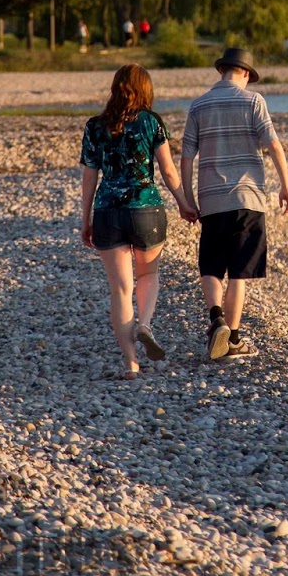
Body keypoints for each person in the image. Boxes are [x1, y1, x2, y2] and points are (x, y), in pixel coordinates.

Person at [79, 64, 197, 380]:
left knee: (120, 289)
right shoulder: (151, 123)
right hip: (146, 210)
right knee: (148, 274)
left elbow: (89, 178)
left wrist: (85, 219)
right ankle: (145, 324)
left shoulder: (94, 127)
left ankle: (131, 363)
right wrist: (185, 204)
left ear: (115, 88)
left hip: (107, 212)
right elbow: (169, 172)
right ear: (145, 90)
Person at [180, 47, 288, 360]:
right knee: (239, 272)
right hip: (248, 198)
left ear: (222, 71)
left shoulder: (199, 105)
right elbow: (272, 144)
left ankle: (215, 318)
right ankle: (232, 339)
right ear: (245, 73)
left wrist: (188, 199)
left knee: (212, 266)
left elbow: (187, 156)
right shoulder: (253, 101)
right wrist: (285, 186)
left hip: (211, 199)